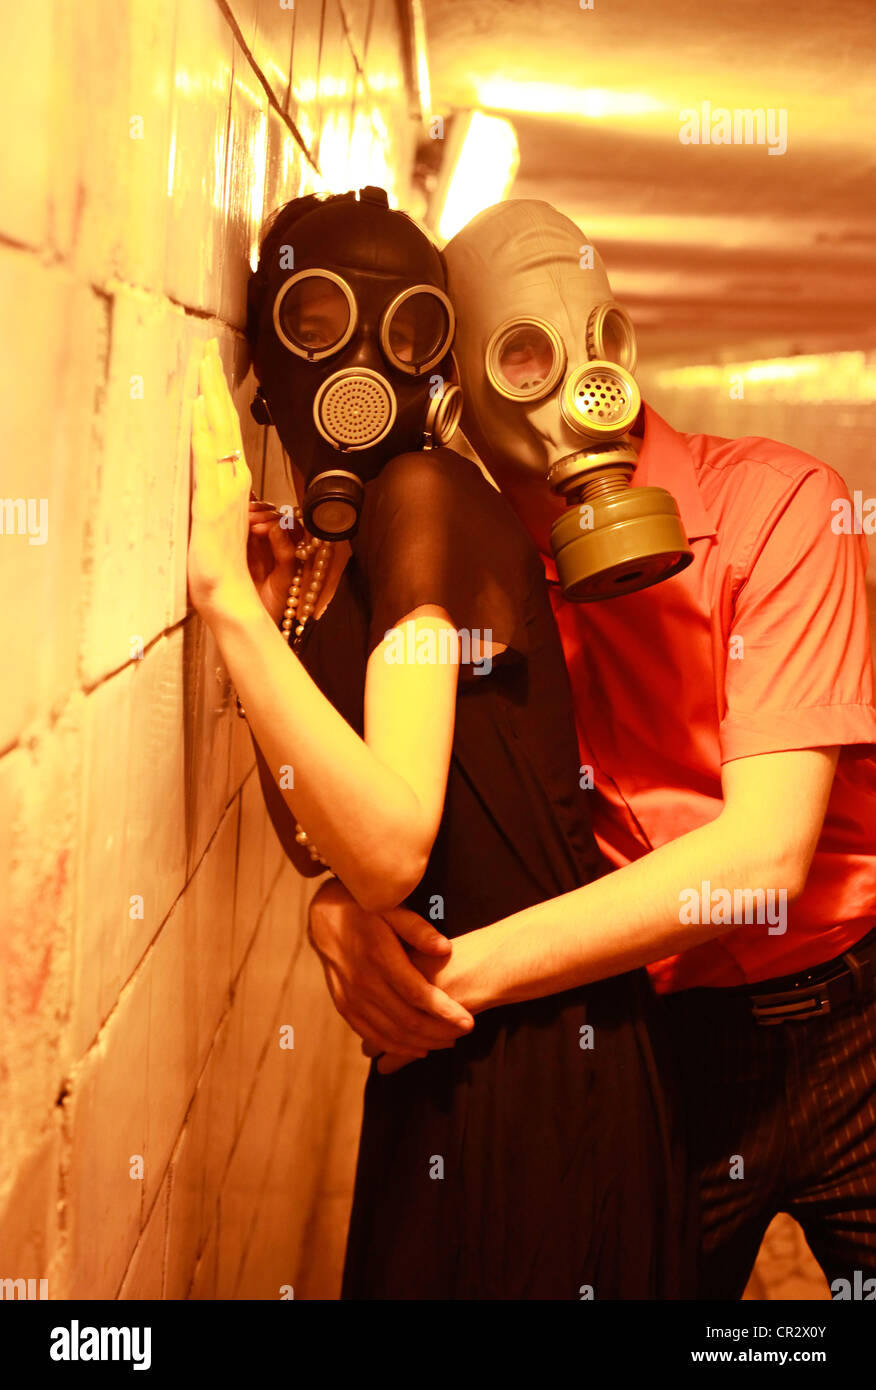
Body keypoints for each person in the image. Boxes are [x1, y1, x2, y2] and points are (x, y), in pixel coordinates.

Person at [307, 198, 876, 1300]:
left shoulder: (782, 508)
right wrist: (336, 898)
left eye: (598, 341)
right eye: (522, 354)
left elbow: (760, 862)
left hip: (854, 1021)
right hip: (646, 1034)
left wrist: (451, 986)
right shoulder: (466, 570)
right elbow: (410, 806)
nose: (580, 386)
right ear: (462, 385)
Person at [186, 187, 695, 1299]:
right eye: (316, 327)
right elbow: (320, 838)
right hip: (457, 1055)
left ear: (444, 362)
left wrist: (225, 603)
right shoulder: (358, 536)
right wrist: (277, 623)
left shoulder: (423, 497)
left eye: (405, 331)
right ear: (265, 362)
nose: (361, 368)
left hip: (541, 1067)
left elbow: (388, 852)